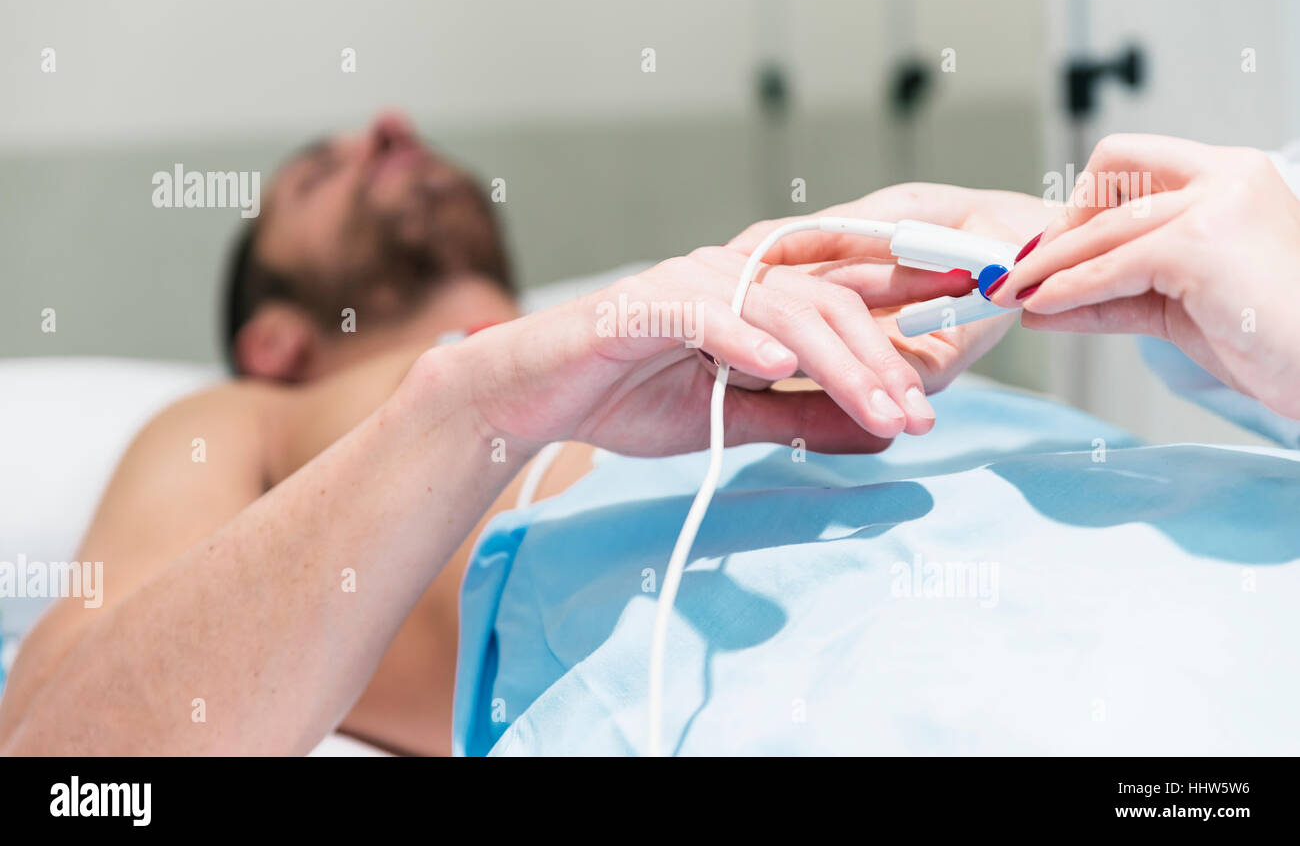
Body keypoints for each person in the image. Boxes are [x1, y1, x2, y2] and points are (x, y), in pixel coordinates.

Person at [1, 110, 1295, 755]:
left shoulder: (733, 289)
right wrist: (480, 404)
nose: (385, 127)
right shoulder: (254, 417)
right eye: (316, 172)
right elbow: (65, 750)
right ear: (273, 336)